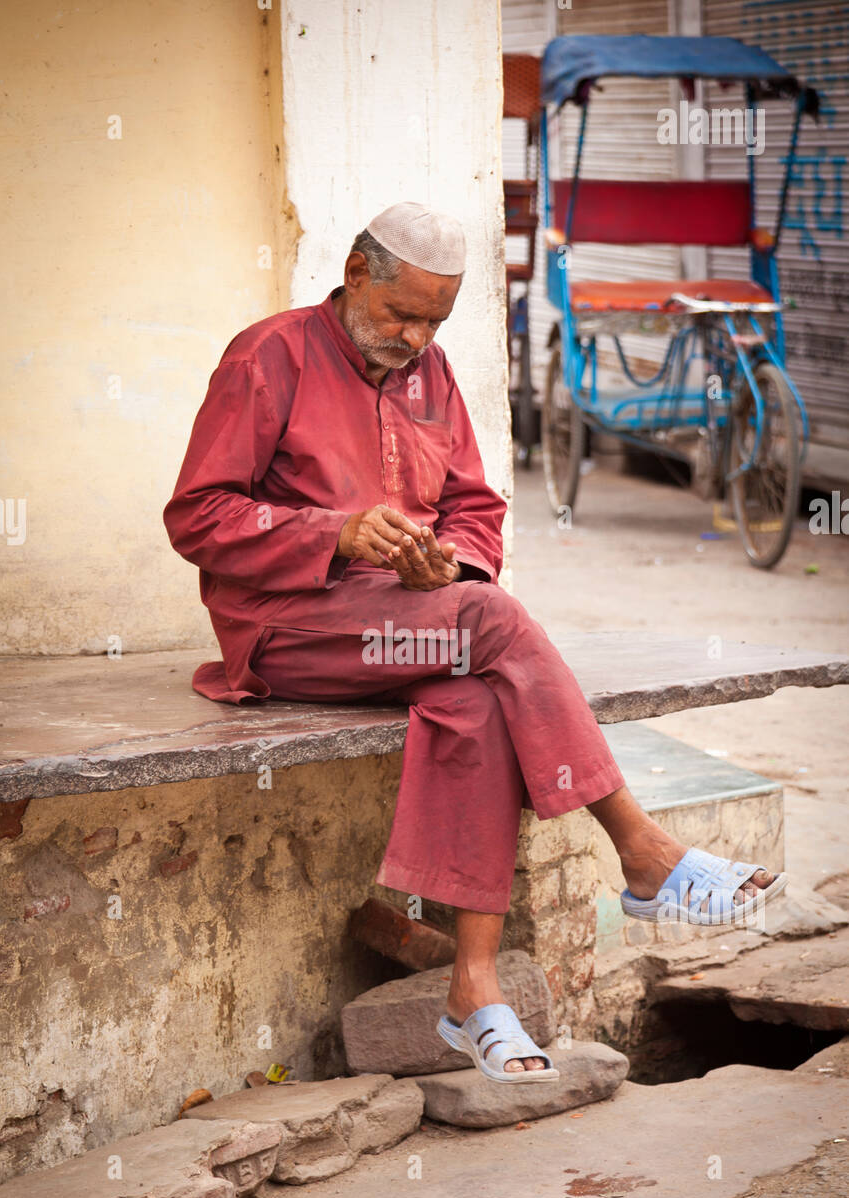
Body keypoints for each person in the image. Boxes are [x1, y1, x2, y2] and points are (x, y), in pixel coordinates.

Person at [163, 201, 787, 1082]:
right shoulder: (268, 357)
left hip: (406, 626)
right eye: (400, 315)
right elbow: (197, 516)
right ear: (353, 274)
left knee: (472, 697)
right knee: (492, 624)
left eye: (433, 321)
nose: (416, 338)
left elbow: (475, 509)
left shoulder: (431, 373)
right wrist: (334, 534)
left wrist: (450, 568)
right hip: (288, 629)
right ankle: (643, 851)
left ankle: (473, 986)